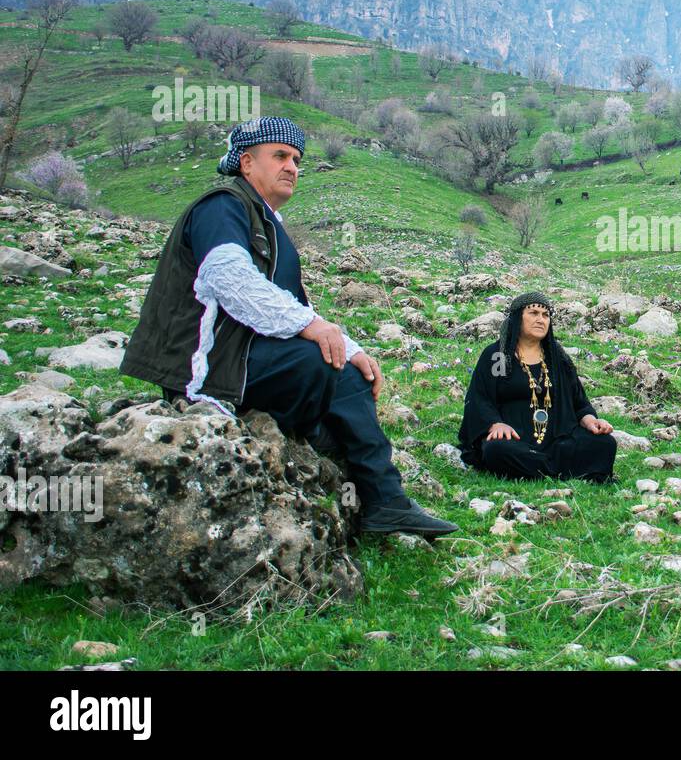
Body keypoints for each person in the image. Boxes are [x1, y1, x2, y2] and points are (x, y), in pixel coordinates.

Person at [120, 116, 457, 538]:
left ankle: (383, 499)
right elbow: (231, 281)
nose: (292, 167)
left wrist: (352, 349)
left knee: (344, 367)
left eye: (296, 159)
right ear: (246, 163)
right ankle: (337, 452)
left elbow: (296, 306)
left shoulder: (267, 224)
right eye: (280, 156)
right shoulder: (222, 206)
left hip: (243, 359)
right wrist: (315, 330)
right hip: (206, 365)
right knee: (319, 363)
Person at [457, 292, 617, 482]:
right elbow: (480, 397)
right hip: (514, 439)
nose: (541, 320)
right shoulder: (499, 356)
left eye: (545, 315)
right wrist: (495, 423)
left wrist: (591, 420)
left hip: (558, 439)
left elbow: (579, 402)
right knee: (496, 449)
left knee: (605, 443)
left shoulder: (557, 358)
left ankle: (538, 468)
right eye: (533, 313)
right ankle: (561, 470)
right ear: (517, 318)